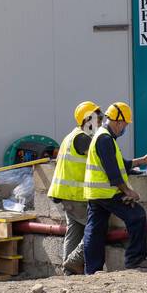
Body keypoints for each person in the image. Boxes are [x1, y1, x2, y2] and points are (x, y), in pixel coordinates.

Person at [82, 102, 147, 274]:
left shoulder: (104, 137)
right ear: (118, 122)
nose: (125, 128)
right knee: (137, 215)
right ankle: (135, 259)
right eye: (125, 124)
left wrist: (142, 160)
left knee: (95, 230)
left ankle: (92, 270)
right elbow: (113, 172)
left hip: (96, 193)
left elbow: (120, 164)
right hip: (107, 192)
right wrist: (128, 191)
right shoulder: (105, 139)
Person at [46, 100, 101, 276]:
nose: (99, 122)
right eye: (96, 118)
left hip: (64, 193)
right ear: (87, 120)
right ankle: (74, 262)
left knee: (75, 231)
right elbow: (99, 159)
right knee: (95, 228)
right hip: (76, 195)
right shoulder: (83, 138)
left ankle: (68, 272)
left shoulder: (70, 136)